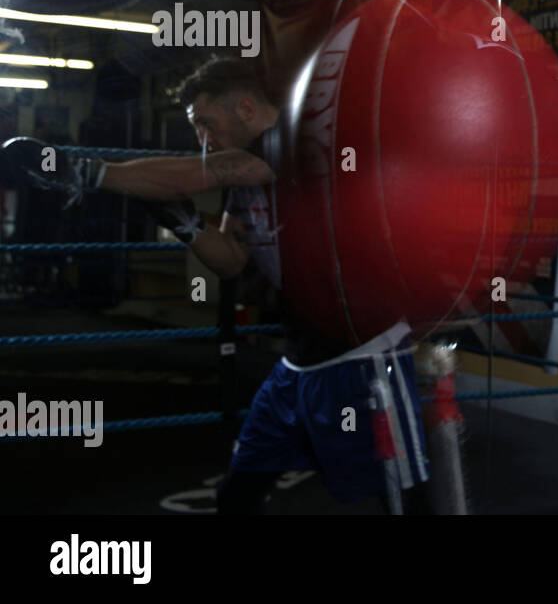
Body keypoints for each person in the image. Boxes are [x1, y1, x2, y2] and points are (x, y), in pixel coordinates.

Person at [2, 57, 436, 514]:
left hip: (363, 357)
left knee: (402, 498)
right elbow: (231, 260)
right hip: (297, 365)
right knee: (238, 493)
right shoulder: (243, 173)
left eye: (206, 122)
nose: (201, 138)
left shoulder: (299, 144)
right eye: (196, 127)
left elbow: (212, 170)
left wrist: (89, 172)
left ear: (246, 108)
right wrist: (188, 225)